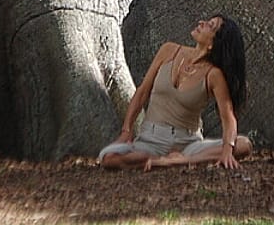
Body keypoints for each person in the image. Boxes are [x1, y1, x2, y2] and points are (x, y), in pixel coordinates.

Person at [99, 15, 252, 170]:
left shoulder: (213, 75)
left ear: (213, 43)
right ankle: (158, 159)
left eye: (209, 25)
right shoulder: (169, 50)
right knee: (109, 159)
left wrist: (227, 150)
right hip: (150, 140)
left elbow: (228, 117)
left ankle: (178, 161)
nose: (201, 22)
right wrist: (126, 131)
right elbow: (142, 92)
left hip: (188, 144)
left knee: (243, 145)